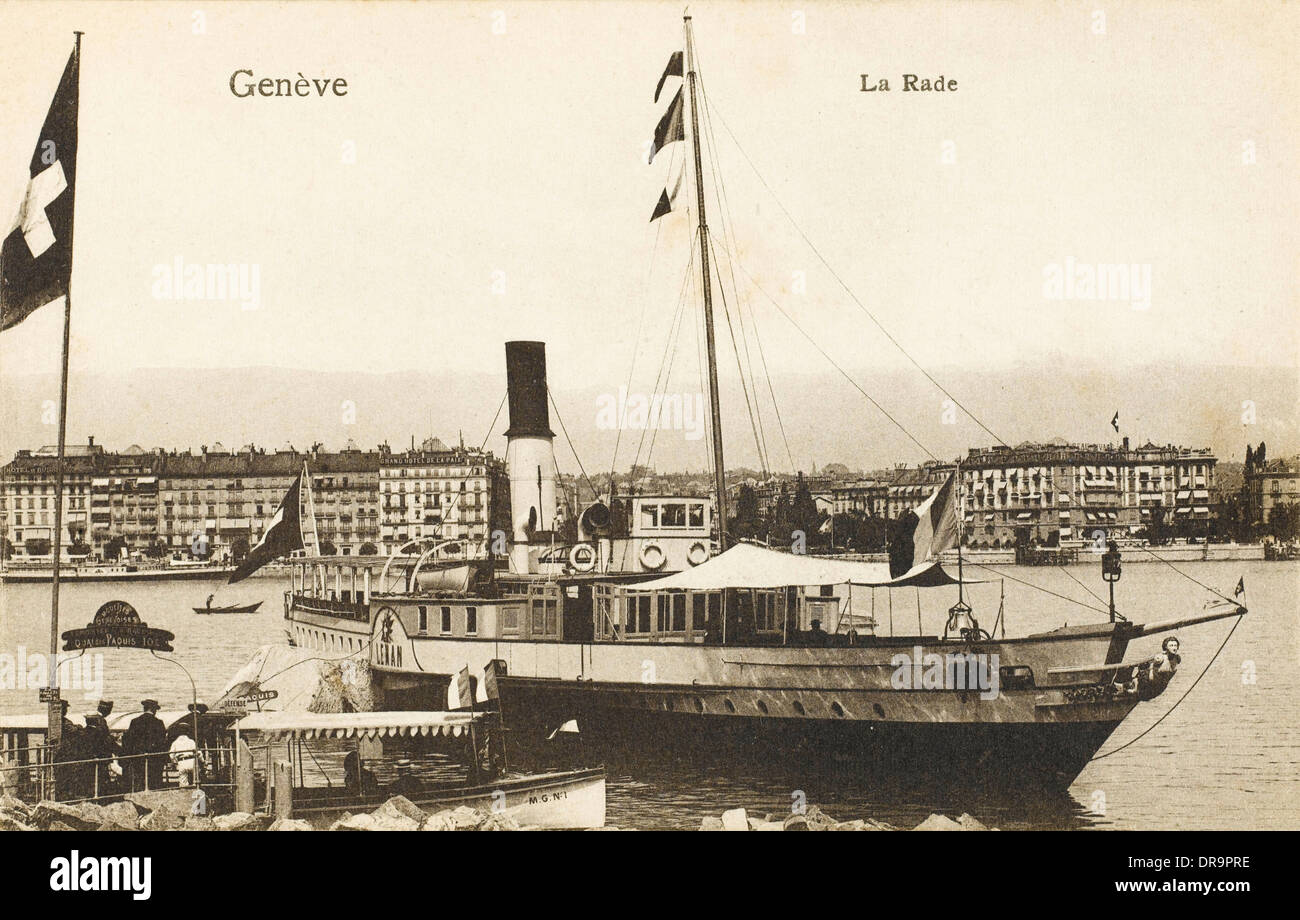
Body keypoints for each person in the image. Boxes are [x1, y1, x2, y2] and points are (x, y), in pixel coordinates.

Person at [123, 700, 167, 791]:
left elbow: (130, 740)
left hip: (138, 757)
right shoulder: (158, 723)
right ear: (153, 710)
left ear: (144, 708)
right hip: (154, 757)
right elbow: (162, 741)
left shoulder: (135, 722)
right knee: (154, 781)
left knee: (139, 780)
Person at [83, 712, 121, 797]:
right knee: (100, 782)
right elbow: (109, 745)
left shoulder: (82, 733)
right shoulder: (100, 734)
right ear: (96, 721)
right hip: (100, 763)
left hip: (86, 763)